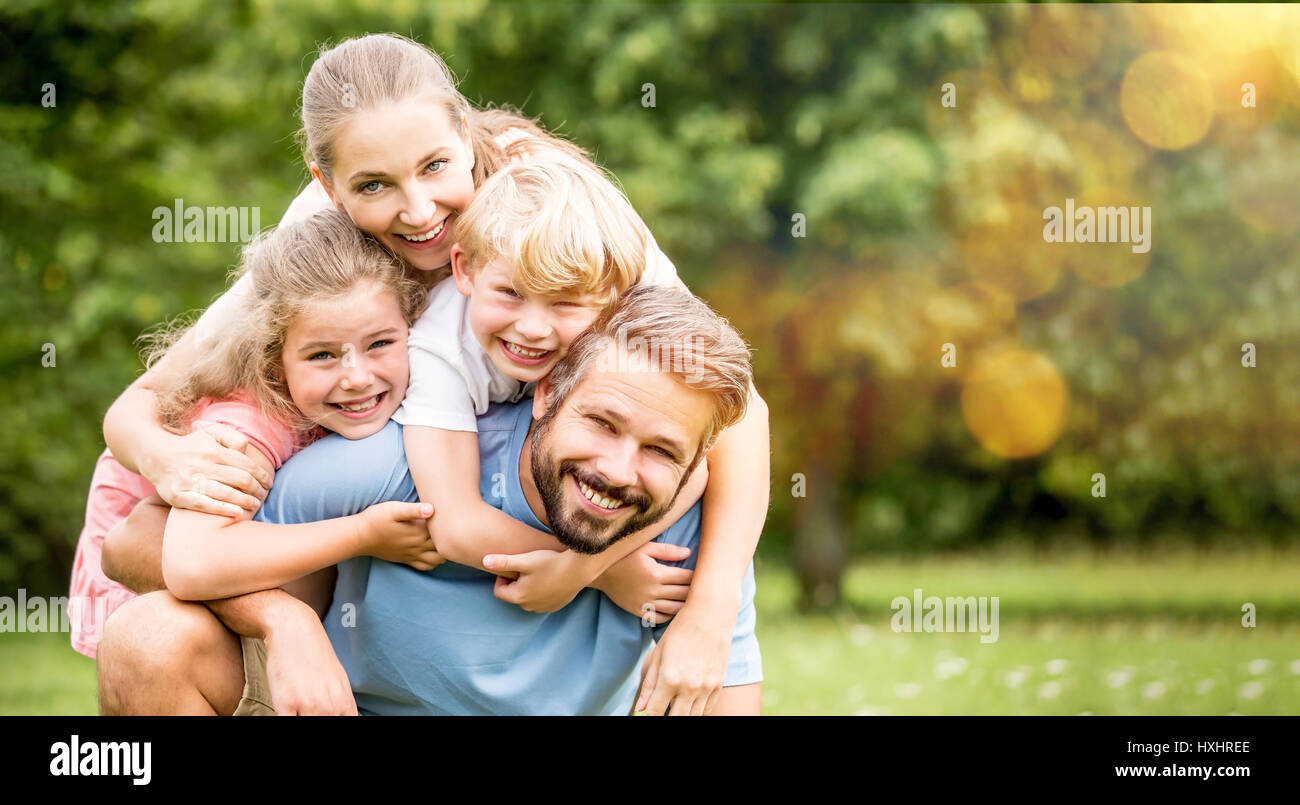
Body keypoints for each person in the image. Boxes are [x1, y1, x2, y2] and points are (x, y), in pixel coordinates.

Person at [100, 33, 770, 712]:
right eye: (373, 185)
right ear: (327, 186)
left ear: (463, 132)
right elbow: (136, 478)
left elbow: (729, 408)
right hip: (275, 485)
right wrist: (169, 459)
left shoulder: (560, 217)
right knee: (154, 624)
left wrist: (695, 609)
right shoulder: (323, 268)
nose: (419, 212)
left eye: (433, 167)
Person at [100, 285, 763, 715]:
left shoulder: (700, 541)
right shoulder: (403, 459)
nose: (618, 470)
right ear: (548, 391)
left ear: (699, 461)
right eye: (604, 423)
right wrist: (283, 618)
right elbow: (135, 543)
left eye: (661, 450)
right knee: (151, 636)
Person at [69, 210, 438, 663]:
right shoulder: (248, 427)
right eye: (322, 355)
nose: (358, 378)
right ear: (273, 362)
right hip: (142, 547)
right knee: (168, 655)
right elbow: (192, 564)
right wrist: (363, 534)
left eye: (380, 344)